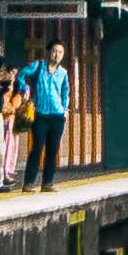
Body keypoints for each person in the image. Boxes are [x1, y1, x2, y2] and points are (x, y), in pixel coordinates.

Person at [26, 42, 76, 188]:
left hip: (57, 116)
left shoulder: (63, 73)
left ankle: (48, 182)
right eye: (54, 51)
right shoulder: (38, 67)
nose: (57, 55)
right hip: (40, 114)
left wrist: (65, 109)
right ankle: (29, 182)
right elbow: (22, 74)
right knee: (37, 147)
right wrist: (24, 91)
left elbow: (65, 92)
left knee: (52, 149)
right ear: (49, 52)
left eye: (60, 52)